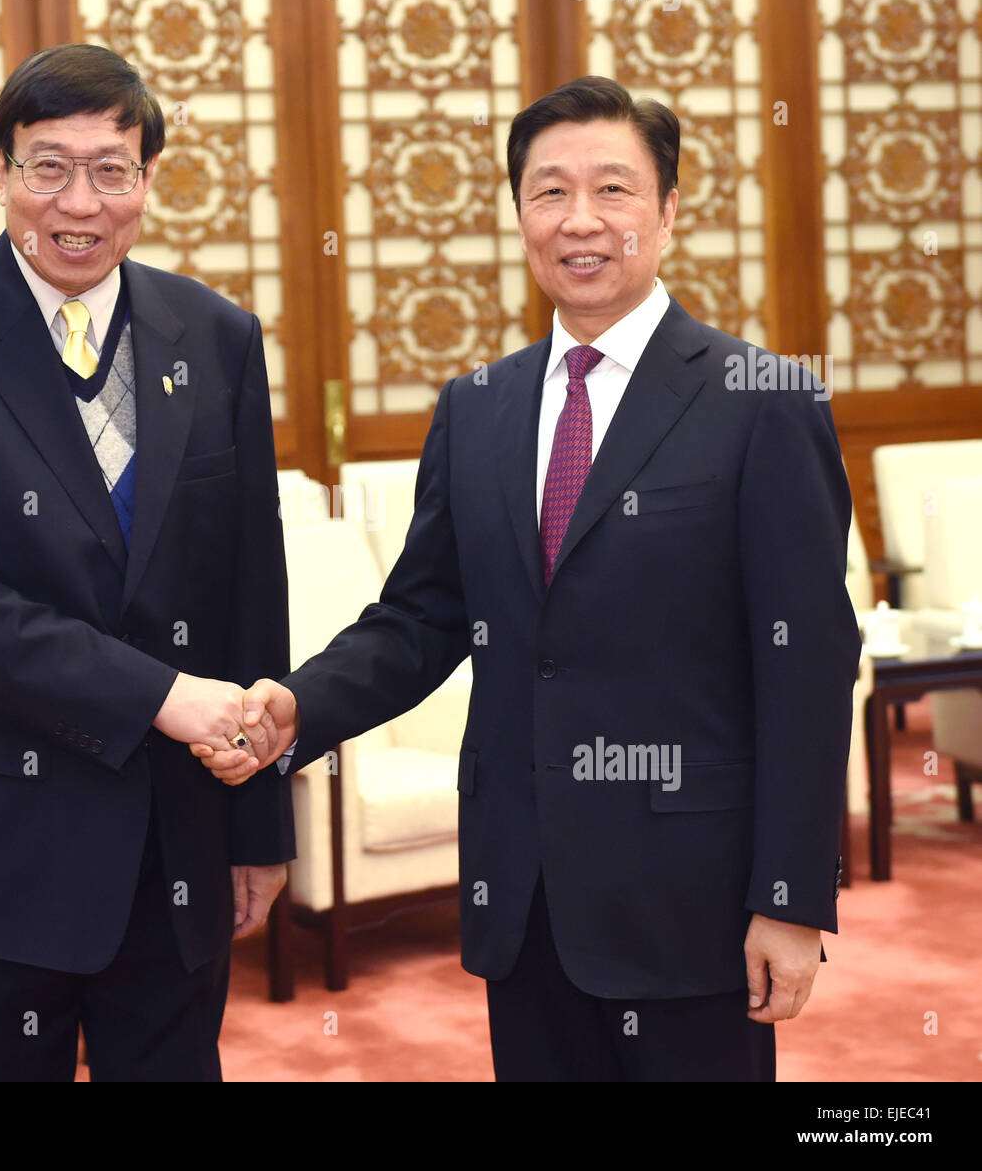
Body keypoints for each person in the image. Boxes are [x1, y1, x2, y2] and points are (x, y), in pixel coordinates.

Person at [195, 76, 861, 1082]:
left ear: (669, 211)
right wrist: (300, 706)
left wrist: (791, 895)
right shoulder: (479, 408)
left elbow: (809, 666)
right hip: (523, 893)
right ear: (519, 215)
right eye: (549, 192)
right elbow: (421, 616)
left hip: (692, 901)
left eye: (614, 190)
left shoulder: (760, 401)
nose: (580, 220)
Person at [0, 43, 293, 1082]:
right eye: (47, 166)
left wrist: (257, 820)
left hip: (175, 841)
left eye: (111, 168)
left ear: (147, 179)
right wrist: (162, 697)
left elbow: (249, 589)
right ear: (1, 166)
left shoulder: (217, 335)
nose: (79, 201)